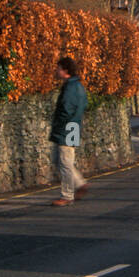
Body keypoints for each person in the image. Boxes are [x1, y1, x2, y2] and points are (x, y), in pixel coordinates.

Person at [50, 55, 89, 207]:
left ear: (65, 70)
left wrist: (58, 123)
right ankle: (79, 184)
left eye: (58, 68)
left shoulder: (70, 87)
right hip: (73, 126)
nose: (56, 70)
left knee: (64, 163)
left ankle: (67, 196)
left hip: (67, 127)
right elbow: (83, 104)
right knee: (61, 160)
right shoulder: (77, 86)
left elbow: (66, 109)